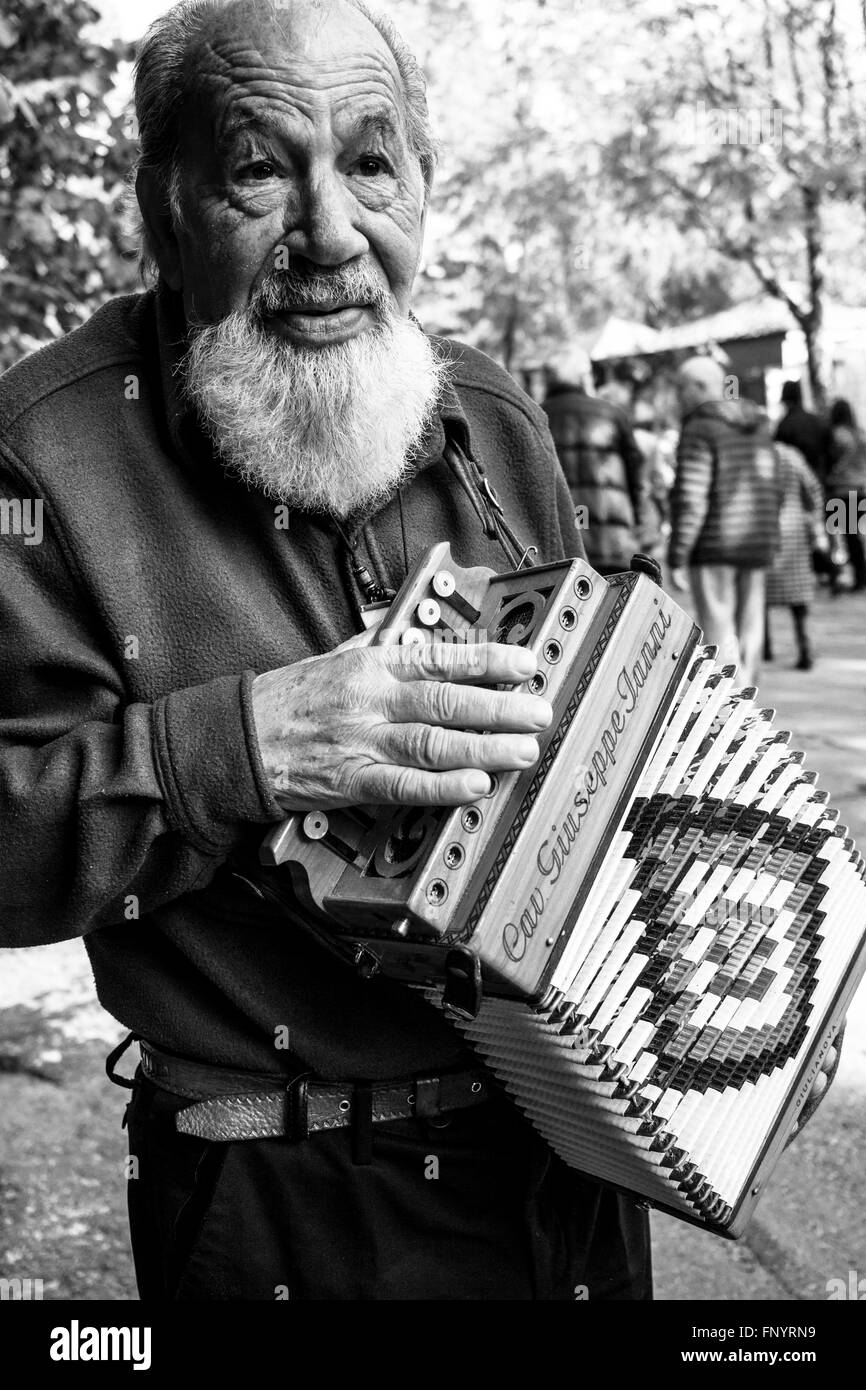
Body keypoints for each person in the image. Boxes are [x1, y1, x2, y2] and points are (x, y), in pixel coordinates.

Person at [0, 0, 649, 1302]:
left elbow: (599, 768)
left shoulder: (492, 411)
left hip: (566, 1177)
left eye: (370, 161)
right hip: (278, 1209)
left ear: (422, 186)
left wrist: (714, 1026)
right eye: (257, 167)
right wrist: (250, 747)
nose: (332, 232)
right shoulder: (40, 453)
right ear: (162, 203)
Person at [668, 357, 782, 687]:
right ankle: (749, 698)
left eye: (681, 389)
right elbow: (774, 480)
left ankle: (733, 707)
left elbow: (691, 495)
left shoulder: (699, 426)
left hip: (714, 542)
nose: (678, 397)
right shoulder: (758, 423)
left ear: (701, 387)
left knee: (719, 630)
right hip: (757, 540)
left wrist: (679, 554)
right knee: (750, 627)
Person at [542, 350, 644, 574]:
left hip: (559, 540)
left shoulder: (536, 415)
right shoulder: (612, 414)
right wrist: (638, 518)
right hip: (612, 540)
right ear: (584, 377)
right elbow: (635, 471)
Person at [764, 443, 825, 670]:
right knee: (798, 599)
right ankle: (805, 649)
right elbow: (813, 488)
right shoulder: (792, 455)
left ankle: (765, 646)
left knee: (760, 595)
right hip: (794, 529)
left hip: (762, 528)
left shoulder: (755, 452)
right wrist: (814, 517)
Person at [827, 398, 866, 592]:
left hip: (841, 491)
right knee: (856, 535)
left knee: (844, 536)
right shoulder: (860, 434)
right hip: (859, 491)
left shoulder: (837, 435)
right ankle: (859, 575)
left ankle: (857, 577)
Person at [774, 379, 835, 484]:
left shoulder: (784, 426)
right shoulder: (817, 421)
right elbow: (830, 452)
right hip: (819, 477)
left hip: (796, 482)